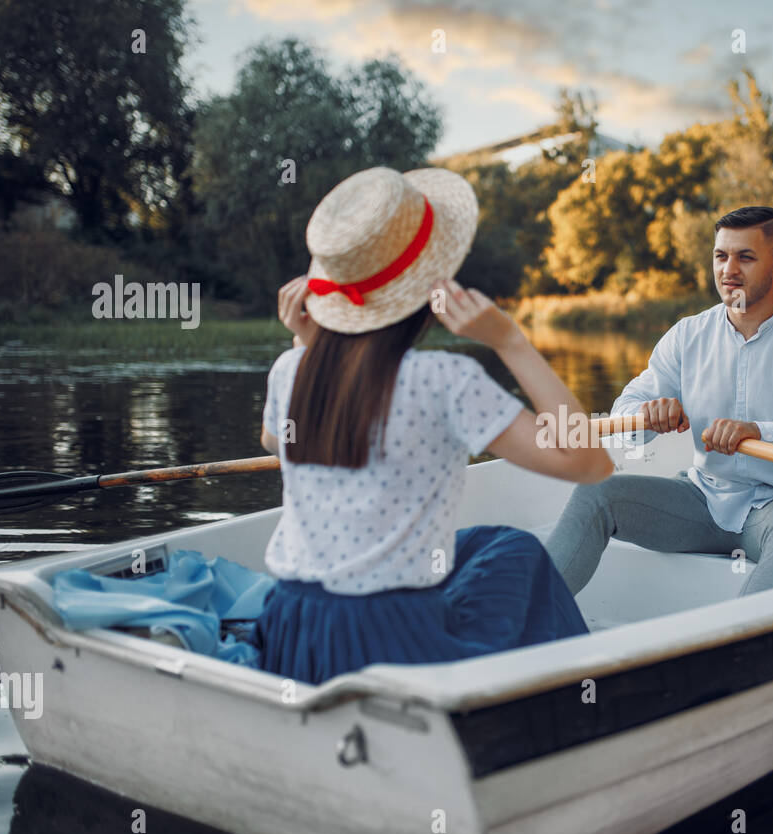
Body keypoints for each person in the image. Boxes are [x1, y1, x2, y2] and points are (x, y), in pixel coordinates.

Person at [250, 166, 612, 684]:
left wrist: (307, 348)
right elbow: (589, 462)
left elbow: (272, 441)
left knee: (503, 546)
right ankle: (572, 697)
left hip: (289, 626)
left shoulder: (291, 368)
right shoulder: (444, 380)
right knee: (522, 555)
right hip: (384, 641)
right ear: (428, 285)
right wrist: (510, 341)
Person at [544, 206, 773, 597]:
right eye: (721, 256)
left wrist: (762, 434)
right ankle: (518, 629)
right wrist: (646, 417)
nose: (729, 270)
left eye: (745, 257)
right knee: (596, 494)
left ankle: (737, 651)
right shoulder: (687, 335)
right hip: (702, 499)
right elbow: (624, 416)